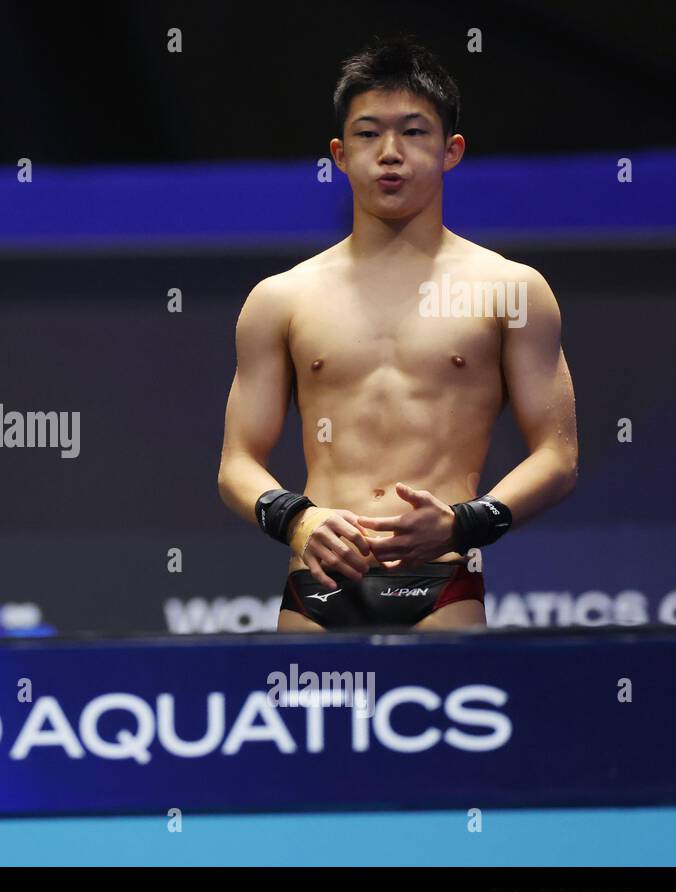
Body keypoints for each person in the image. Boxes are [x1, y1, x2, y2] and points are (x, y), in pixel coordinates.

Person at [217, 37, 578, 631]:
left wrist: (464, 523)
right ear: (338, 152)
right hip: (319, 582)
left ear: (451, 150)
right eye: (367, 133)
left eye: (414, 132)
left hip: (441, 580)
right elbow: (236, 464)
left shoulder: (511, 289)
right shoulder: (280, 298)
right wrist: (298, 521)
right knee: (309, 729)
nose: (390, 153)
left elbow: (559, 456)